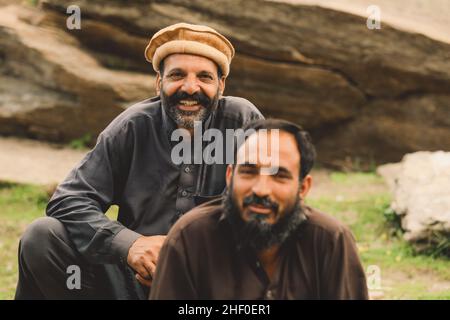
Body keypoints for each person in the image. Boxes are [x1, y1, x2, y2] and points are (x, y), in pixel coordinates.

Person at [15, 23, 263, 299]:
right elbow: (69, 200)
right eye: (177, 75)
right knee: (43, 236)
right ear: (159, 83)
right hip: (134, 283)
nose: (190, 87)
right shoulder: (133, 126)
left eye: (204, 77)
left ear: (221, 85)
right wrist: (131, 245)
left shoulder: (242, 122)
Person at [150, 119, 368, 300]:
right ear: (229, 177)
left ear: (303, 187)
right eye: (248, 171)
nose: (262, 190)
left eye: (279, 176)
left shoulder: (330, 241)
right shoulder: (189, 238)